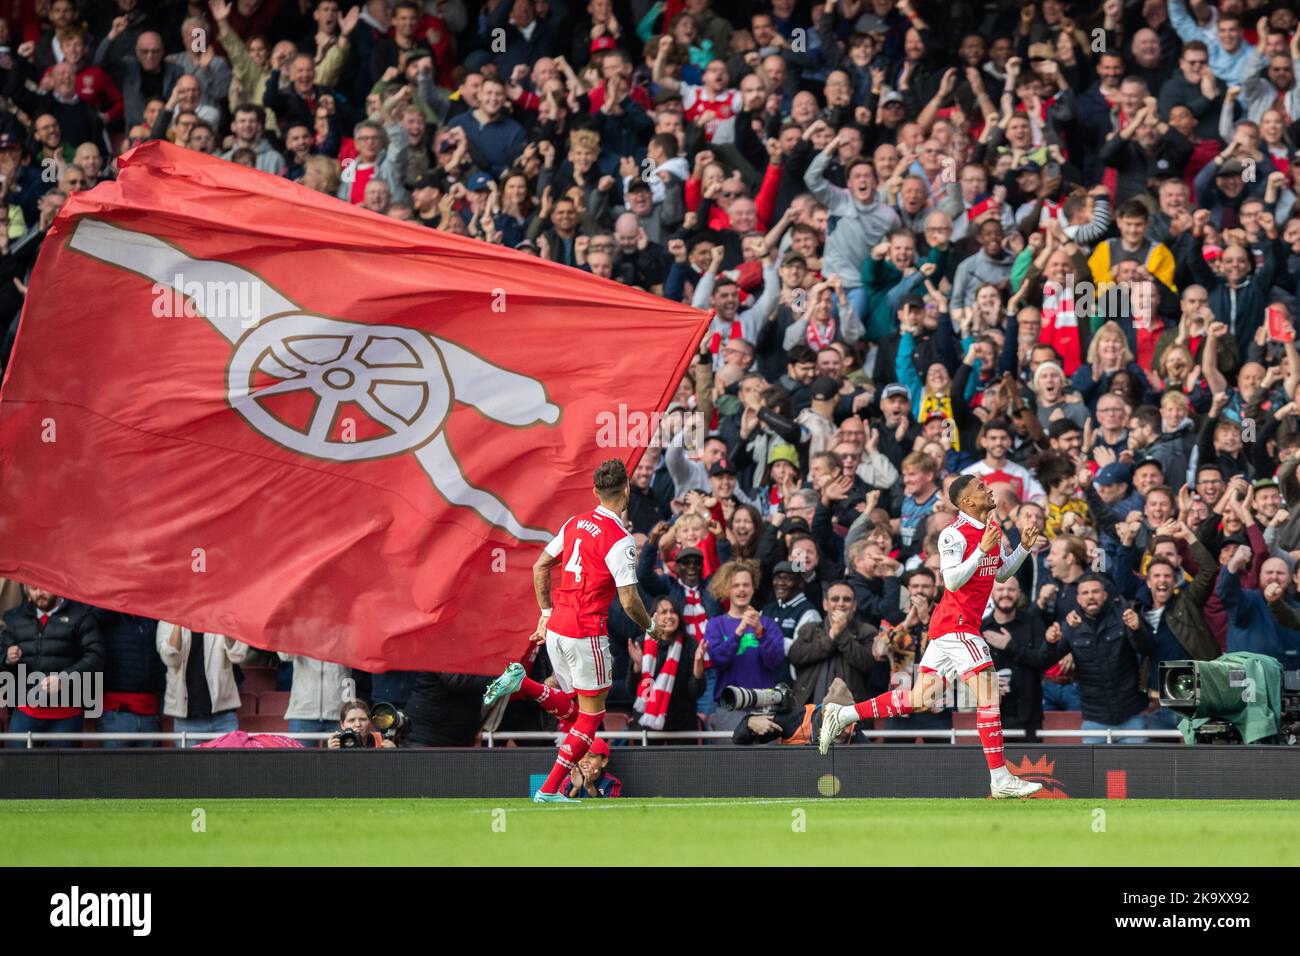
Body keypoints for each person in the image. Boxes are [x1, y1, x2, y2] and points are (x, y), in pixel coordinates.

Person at [819, 475, 1043, 798]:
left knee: (918, 699)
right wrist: (981, 550)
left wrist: (1023, 546)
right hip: (958, 624)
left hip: (949, 628)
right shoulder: (953, 534)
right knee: (989, 692)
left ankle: (843, 714)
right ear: (966, 502)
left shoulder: (990, 528)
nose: (989, 489)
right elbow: (951, 581)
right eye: (981, 487)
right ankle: (1000, 778)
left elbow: (1002, 572)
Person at [481, 458, 655, 803]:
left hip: (558, 628)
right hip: (586, 631)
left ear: (594, 491)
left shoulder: (575, 522)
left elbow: (540, 565)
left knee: (577, 712)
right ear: (626, 490)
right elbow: (630, 599)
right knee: (591, 719)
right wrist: (651, 627)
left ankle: (524, 683)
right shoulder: (620, 540)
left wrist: (546, 613)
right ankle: (548, 791)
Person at [1, 585, 103, 748]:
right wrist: (6, 657)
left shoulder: (81, 616)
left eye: (43, 587)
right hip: (25, 712)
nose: (39, 593)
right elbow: (2, 651)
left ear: (56, 585)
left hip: (66, 714)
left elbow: (95, 656)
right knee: (18, 769)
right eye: (33, 588)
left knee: (62, 772)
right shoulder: (14, 617)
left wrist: (65, 678)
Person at [327, 699, 396, 748]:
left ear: (370, 722)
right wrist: (331, 754)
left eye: (363, 719)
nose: (358, 724)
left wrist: (394, 753)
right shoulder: (337, 743)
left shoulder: (382, 739)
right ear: (342, 724)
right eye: (351, 720)